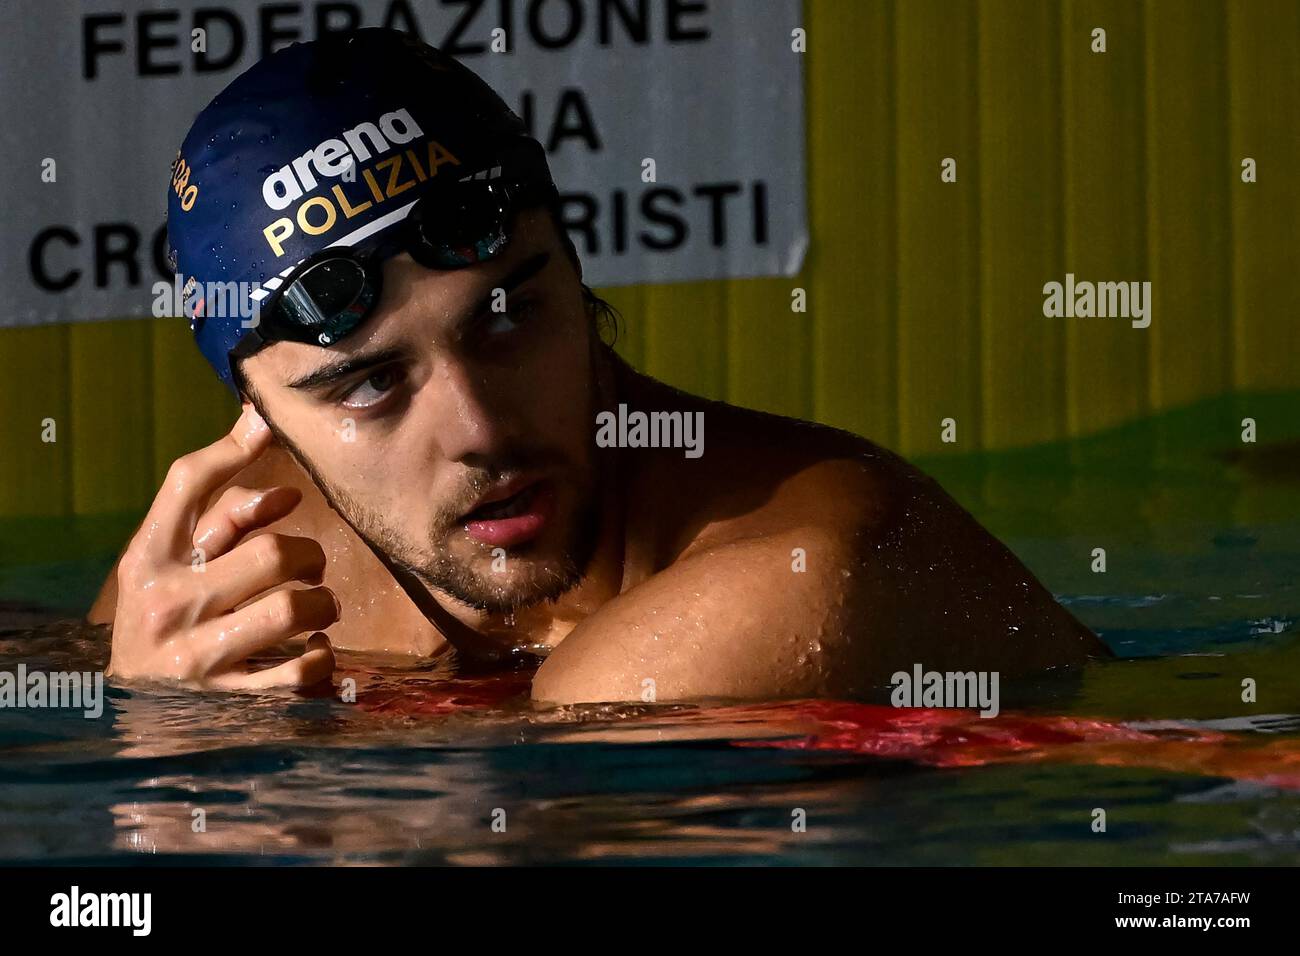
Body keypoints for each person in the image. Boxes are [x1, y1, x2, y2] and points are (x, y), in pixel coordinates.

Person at [90, 28, 1109, 702]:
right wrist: (124, 679)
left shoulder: (781, 586)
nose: (478, 429)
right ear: (257, 412)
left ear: (577, 273)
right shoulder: (233, 575)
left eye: (504, 315)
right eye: (369, 383)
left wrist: (177, 749)